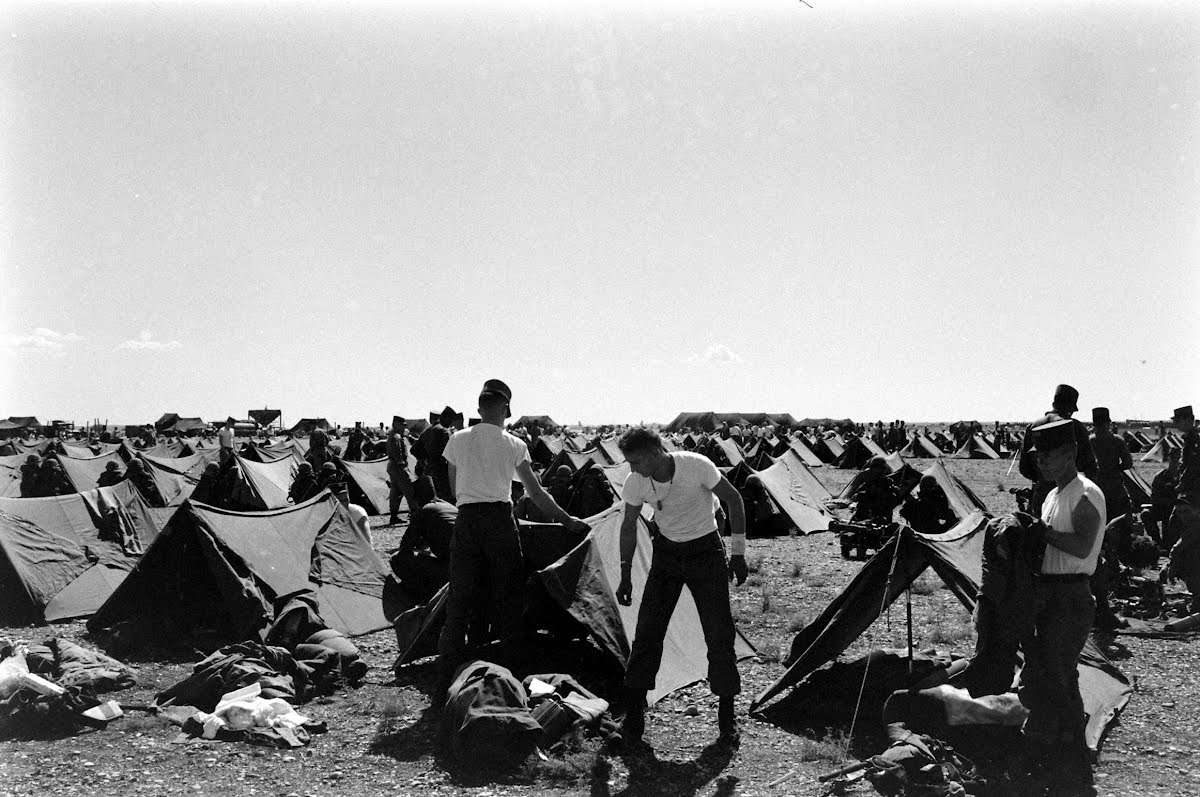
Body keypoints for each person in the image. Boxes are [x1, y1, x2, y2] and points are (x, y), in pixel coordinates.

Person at [435, 379, 590, 696]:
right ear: (506, 409)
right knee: (509, 601)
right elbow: (535, 493)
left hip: (466, 520)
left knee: (459, 604)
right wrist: (566, 519)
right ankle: (515, 682)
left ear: (479, 409)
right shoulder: (515, 445)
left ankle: (443, 685)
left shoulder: (457, 440)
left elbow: (452, 488)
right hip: (499, 522)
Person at [615, 427, 748, 745]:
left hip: (706, 551)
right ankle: (633, 720)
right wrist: (624, 573)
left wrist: (739, 553)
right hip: (668, 555)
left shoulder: (696, 465)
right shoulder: (636, 482)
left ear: (652, 454)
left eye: (634, 461)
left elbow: (734, 500)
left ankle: (727, 718)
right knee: (648, 632)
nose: (631, 469)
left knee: (718, 632)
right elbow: (629, 524)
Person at [1018, 418, 1105, 792]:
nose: (1041, 462)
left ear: (1069, 455)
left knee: (1060, 674)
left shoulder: (1085, 494)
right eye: (1039, 456)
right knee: (1045, 672)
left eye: (1048, 455)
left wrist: (1043, 533)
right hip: (1050, 593)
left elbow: (1083, 547)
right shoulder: (1053, 494)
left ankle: (1072, 759)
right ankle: (1053, 751)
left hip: (1071, 595)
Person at [1018, 384, 1098, 516]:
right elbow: (1090, 467)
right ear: (1070, 408)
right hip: (1069, 491)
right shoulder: (1075, 427)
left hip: (1041, 494)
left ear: (1054, 403)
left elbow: (1024, 468)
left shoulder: (1032, 427)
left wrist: (1042, 478)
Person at [391, 476, 458, 603]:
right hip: (470, 566)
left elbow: (405, 549)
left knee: (397, 559)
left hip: (452, 571)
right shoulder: (448, 507)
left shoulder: (424, 511)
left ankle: (423, 596)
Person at [1163, 405, 1200, 611]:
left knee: (1189, 546)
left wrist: (1184, 485)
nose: (1176, 425)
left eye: (1178, 421)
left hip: (1194, 500)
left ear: (1189, 420)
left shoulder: (1195, 441)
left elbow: (1193, 470)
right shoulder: (1190, 440)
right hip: (1190, 499)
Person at [413, 407, 455, 502]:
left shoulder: (428, 430)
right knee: (447, 499)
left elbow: (414, 450)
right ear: (447, 418)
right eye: (450, 421)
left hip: (429, 469)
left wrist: (424, 462)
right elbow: (450, 454)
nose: (450, 424)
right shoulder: (444, 431)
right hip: (442, 471)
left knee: (430, 498)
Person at [1143, 448, 1181, 545]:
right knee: (1146, 514)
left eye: (1178, 458)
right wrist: (1167, 502)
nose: (1175, 461)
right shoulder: (1160, 476)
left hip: (1179, 510)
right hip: (1163, 507)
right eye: (1173, 458)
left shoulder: (1184, 476)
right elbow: (1154, 497)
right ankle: (1157, 541)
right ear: (1169, 459)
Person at [386, 416, 416, 526]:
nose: (404, 427)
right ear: (396, 424)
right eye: (402, 425)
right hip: (398, 466)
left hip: (392, 466)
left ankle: (393, 516)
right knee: (409, 489)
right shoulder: (397, 437)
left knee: (395, 492)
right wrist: (402, 465)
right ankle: (414, 514)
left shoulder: (392, 435)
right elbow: (398, 452)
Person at [847, 456, 897, 522]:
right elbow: (860, 488)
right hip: (874, 503)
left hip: (879, 505)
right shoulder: (870, 477)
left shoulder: (886, 481)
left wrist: (861, 494)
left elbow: (877, 492)